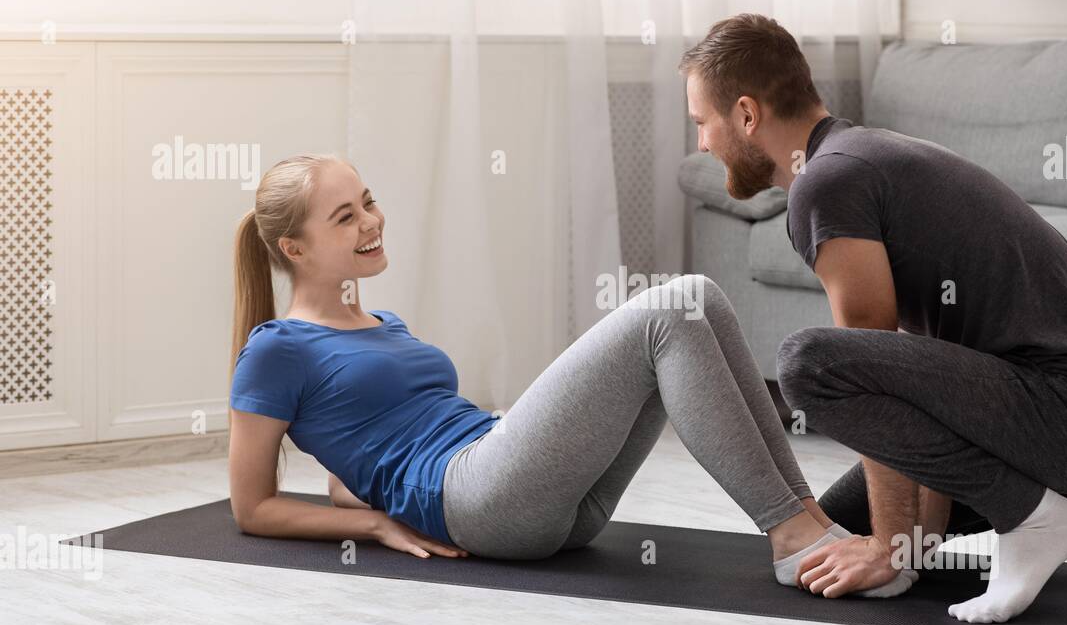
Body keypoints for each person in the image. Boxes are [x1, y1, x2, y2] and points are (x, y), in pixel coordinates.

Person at [227, 154, 916, 596]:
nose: (372, 222)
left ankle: (809, 521)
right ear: (294, 248)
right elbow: (250, 506)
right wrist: (377, 526)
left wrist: (357, 488)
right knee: (675, 308)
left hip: (540, 502)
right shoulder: (276, 349)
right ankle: (793, 536)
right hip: (480, 499)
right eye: (346, 217)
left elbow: (355, 453)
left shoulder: (384, 322)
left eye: (369, 201)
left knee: (699, 303)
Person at [678, 13, 1067, 623]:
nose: (701, 143)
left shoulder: (825, 184)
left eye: (702, 122)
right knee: (841, 526)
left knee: (811, 364)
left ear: (747, 115)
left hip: (1064, 415)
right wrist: (908, 548)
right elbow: (915, 383)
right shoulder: (862, 154)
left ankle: (1035, 516)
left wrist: (889, 549)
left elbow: (865, 357)